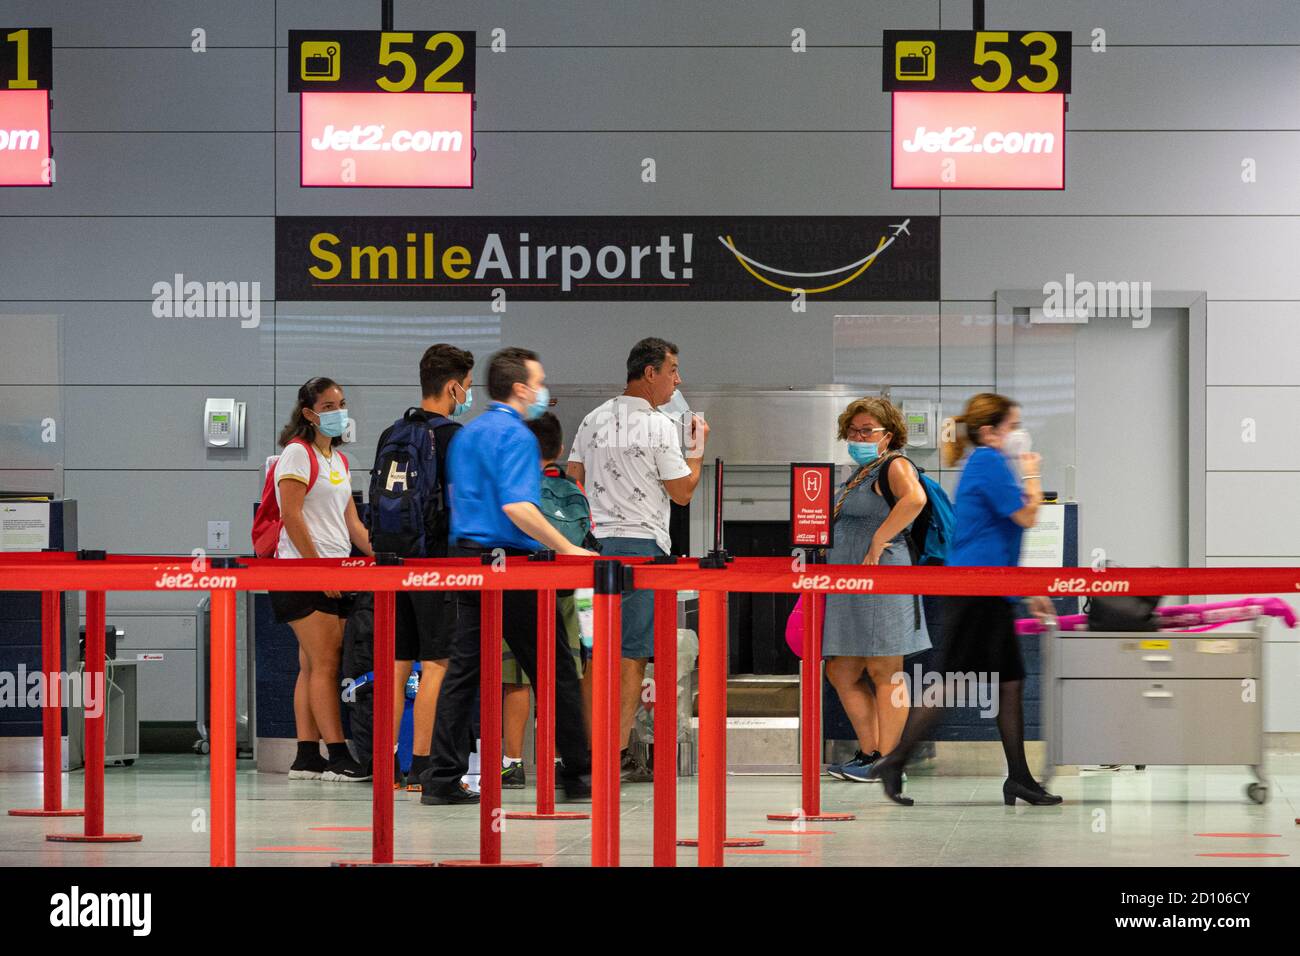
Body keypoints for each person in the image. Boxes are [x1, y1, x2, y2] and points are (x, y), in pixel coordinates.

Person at [420, 348, 596, 805]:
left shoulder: (468, 434)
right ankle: (580, 774)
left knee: (464, 671)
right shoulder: (516, 436)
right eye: (539, 381)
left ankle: (441, 778)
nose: (543, 390)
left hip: (467, 560)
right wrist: (568, 547)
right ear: (520, 388)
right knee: (554, 669)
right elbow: (517, 507)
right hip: (512, 566)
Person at [869, 393, 1061, 806]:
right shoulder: (990, 463)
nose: (1017, 434)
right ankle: (895, 759)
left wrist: (1027, 588)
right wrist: (1033, 473)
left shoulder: (989, 464)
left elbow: (997, 537)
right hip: (976, 593)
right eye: (1011, 426)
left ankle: (1020, 778)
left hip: (991, 589)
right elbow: (1026, 516)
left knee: (1010, 682)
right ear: (990, 430)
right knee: (953, 681)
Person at [566, 337, 708, 782]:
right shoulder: (658, 425)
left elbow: (574, 477)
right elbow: (682, 492)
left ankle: (586, 750)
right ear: (650, 372)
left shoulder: (593, 418)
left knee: (595, 654)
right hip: (640, 549)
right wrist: (697, 450)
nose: (677, 379)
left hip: (591, 550)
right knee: (630, 657)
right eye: (673, 370)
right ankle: (612, 753)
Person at [370, 344, 474, 791]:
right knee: (437, 664)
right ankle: (425, 768)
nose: (467, 395)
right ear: (452, 386)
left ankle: (386, 767)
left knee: (395, 665)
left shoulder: (392, 432)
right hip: (437, 565)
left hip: (393, 562)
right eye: (467, 387)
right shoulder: (455, 437)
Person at [822, 397, 931, 782]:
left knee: (886, 670)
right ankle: (870, 753)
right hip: (850, 583)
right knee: (841, 670)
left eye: (867, 430)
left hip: (883, 578)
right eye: (853, 430)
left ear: (888, 435)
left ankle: (888, 761)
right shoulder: (859, 472)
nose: (858, 436)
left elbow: (915, 499)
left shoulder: (895, 465)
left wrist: (879, 540)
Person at [273, 377, 374, 782]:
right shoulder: (297, 455)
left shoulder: (338, 461)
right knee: (327, 664)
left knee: (310, 665)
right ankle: (337, 755)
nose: (338, 412)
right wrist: (317, 569)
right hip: (302, 571)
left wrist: (381, 555)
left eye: (342, 404)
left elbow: (351, 523)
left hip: (336, 569)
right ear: (309, 413)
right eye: (329, 406)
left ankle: (305, 755)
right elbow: (291, 516)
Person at [499, 412, 592, 788]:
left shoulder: (515, 486)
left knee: (517, 679)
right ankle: (567, 757)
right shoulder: (574, 487)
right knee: (566, 676)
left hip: (521, 587)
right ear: (560, 449)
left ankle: (513, 762)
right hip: (570, 593)